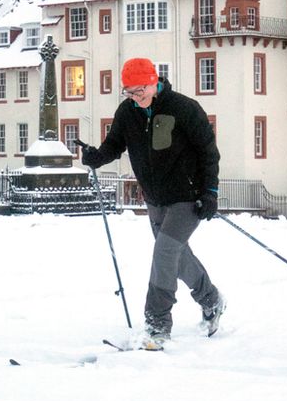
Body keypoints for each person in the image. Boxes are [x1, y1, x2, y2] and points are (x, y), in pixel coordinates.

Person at [82, 57, 225, 348]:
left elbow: (208, 152)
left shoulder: (184, 108)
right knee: (176, 256)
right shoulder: (128, 112)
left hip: (188, 198)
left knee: (164, 253)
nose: (136, 97)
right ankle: (212, 299)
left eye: (139, 91)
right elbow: (115, 144)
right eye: (129, 92)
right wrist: (96, 156)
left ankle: (157, 326)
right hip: (156, 198)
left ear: (153, 81)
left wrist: (209, 191)